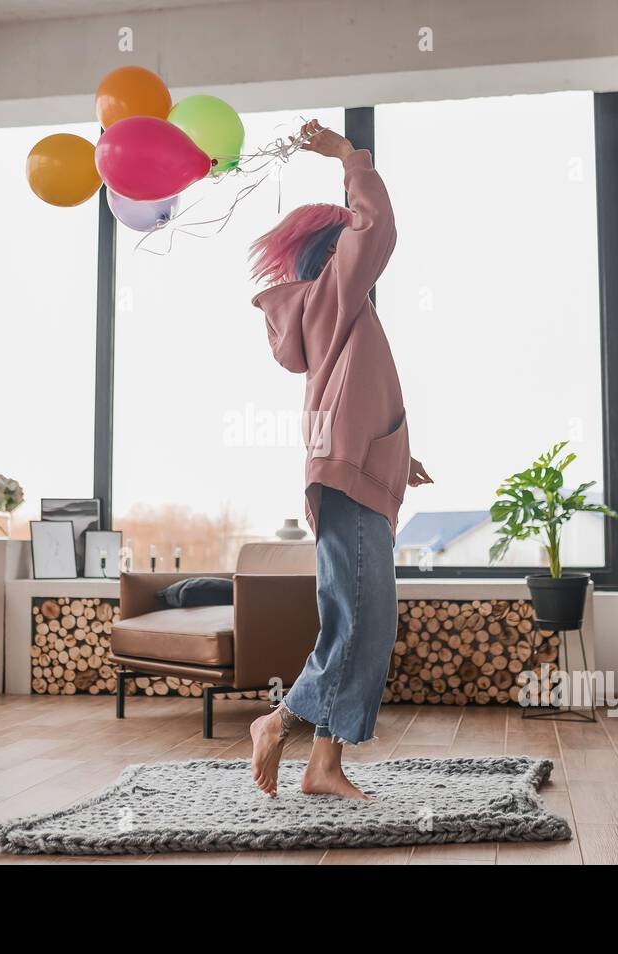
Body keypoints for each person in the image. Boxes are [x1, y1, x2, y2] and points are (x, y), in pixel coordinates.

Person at [247, 119, 432, 800]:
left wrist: (398, 456)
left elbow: (360, 397)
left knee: (357, 620)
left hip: (356, 477)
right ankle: (280, 721)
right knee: (364, 621)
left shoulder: (339, 315)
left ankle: (324, 767)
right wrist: (350, 159)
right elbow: (376, 227)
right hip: (349, 485)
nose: (367, 257)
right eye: (348, 241)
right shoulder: (334, 294)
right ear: (334, 252)